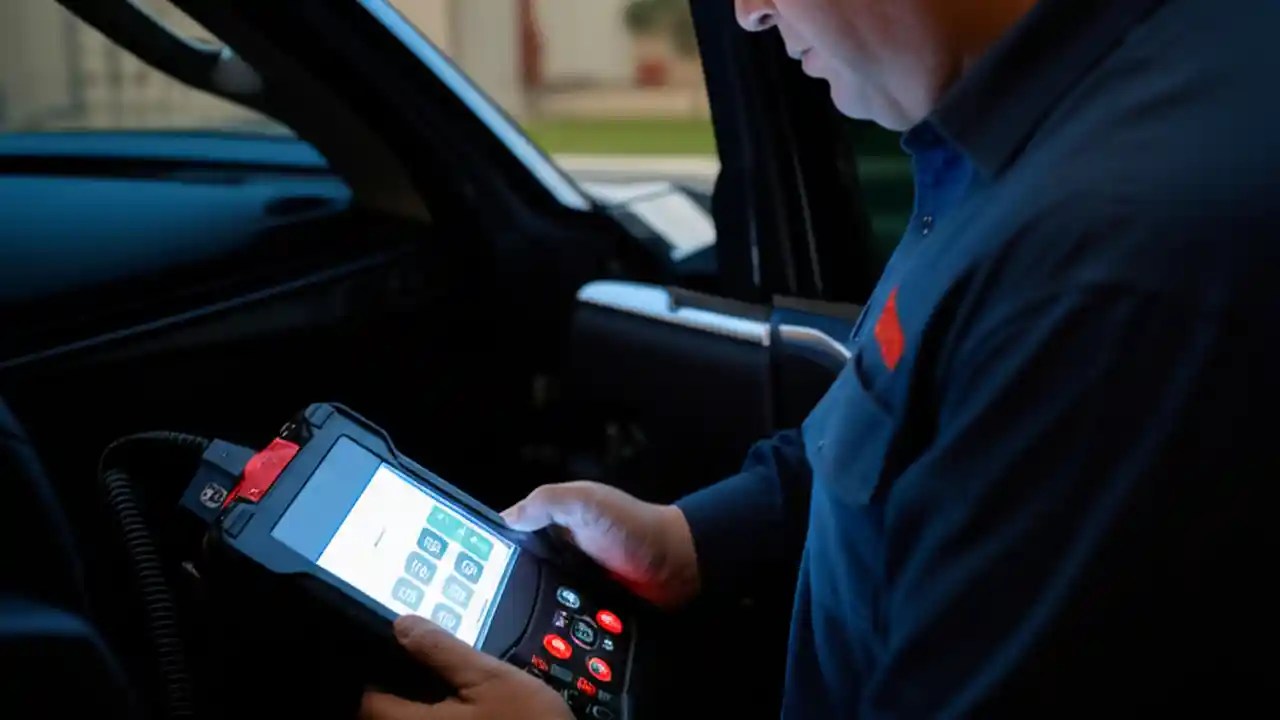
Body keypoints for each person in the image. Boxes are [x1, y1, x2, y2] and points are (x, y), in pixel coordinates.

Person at [362, 0, 1280, 717]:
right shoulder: (1030, 118)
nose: (748, 14)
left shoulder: (1099, 273)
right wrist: (691, 542)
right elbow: (920, 424)